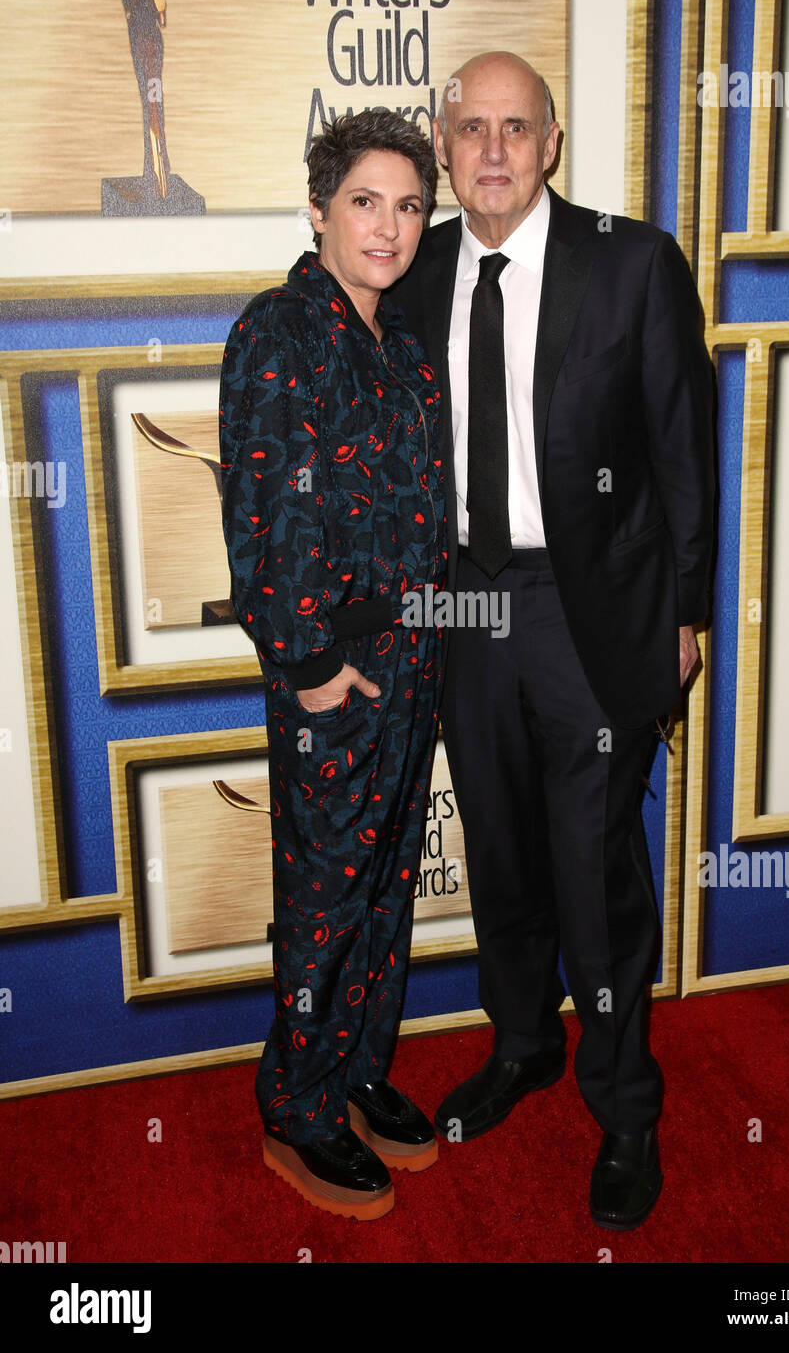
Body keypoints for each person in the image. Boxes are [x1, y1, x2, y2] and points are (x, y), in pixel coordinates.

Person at [389, 52, 715, 1230]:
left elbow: (684, 445)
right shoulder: (415, 270)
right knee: (504, 852)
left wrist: (687, 612)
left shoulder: (630, 264)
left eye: (514, 128)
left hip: (589, 617)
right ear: (441, 139)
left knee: (594, 872)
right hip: (464, 612)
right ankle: (522, 1042)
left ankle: (626, 1104)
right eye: (470, 127)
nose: (491, 150)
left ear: (552, 141)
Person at [219, 109, 446, 1221]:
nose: (389, 225)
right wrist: (309, 665)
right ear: (318, 208)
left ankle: (357, 1072)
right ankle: (297, 1106)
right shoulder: (279, 330)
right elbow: (265, 516)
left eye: (409, 205)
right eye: (367, 200)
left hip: (412, 663)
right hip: (334, 676)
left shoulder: (402, 341)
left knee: (388, 884)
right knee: (322, 896)